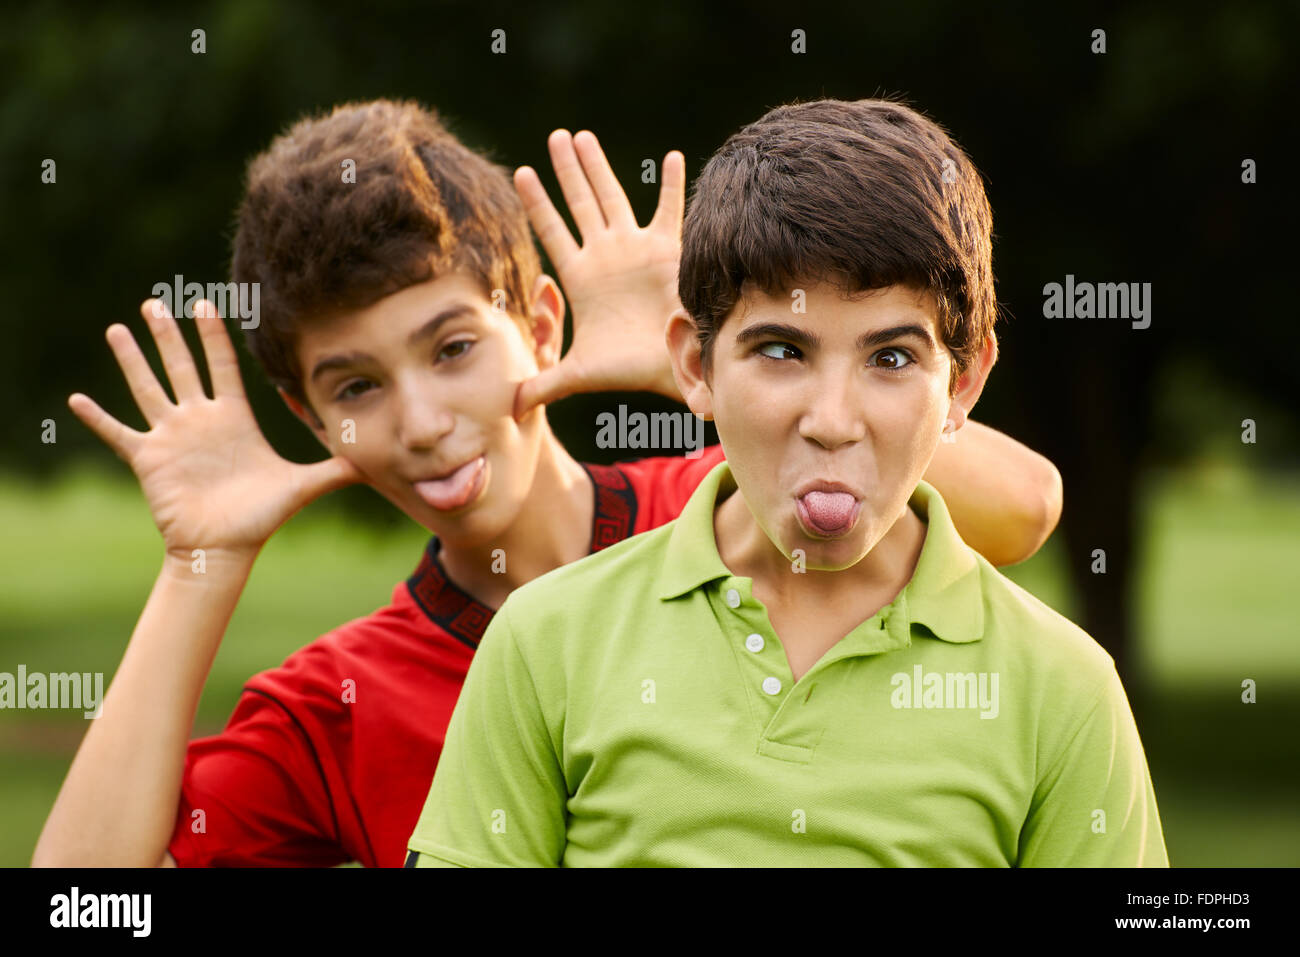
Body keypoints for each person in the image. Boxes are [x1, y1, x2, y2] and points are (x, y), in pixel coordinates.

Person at [33, 99, 1064, 868]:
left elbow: (1021, 507)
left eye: (451, 349)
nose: (427, 423)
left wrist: (712, 365)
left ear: (535, 323)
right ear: (311, 418)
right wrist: (198, 567)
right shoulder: (338, 706)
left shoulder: (729, 508)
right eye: (357, 385)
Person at [406, 97, 1166, 867]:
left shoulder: (1064, 689)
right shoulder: (546, 640)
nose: (832, 420)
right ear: (695, 366)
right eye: (780, 350)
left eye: (892, 357)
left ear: (963, 384)